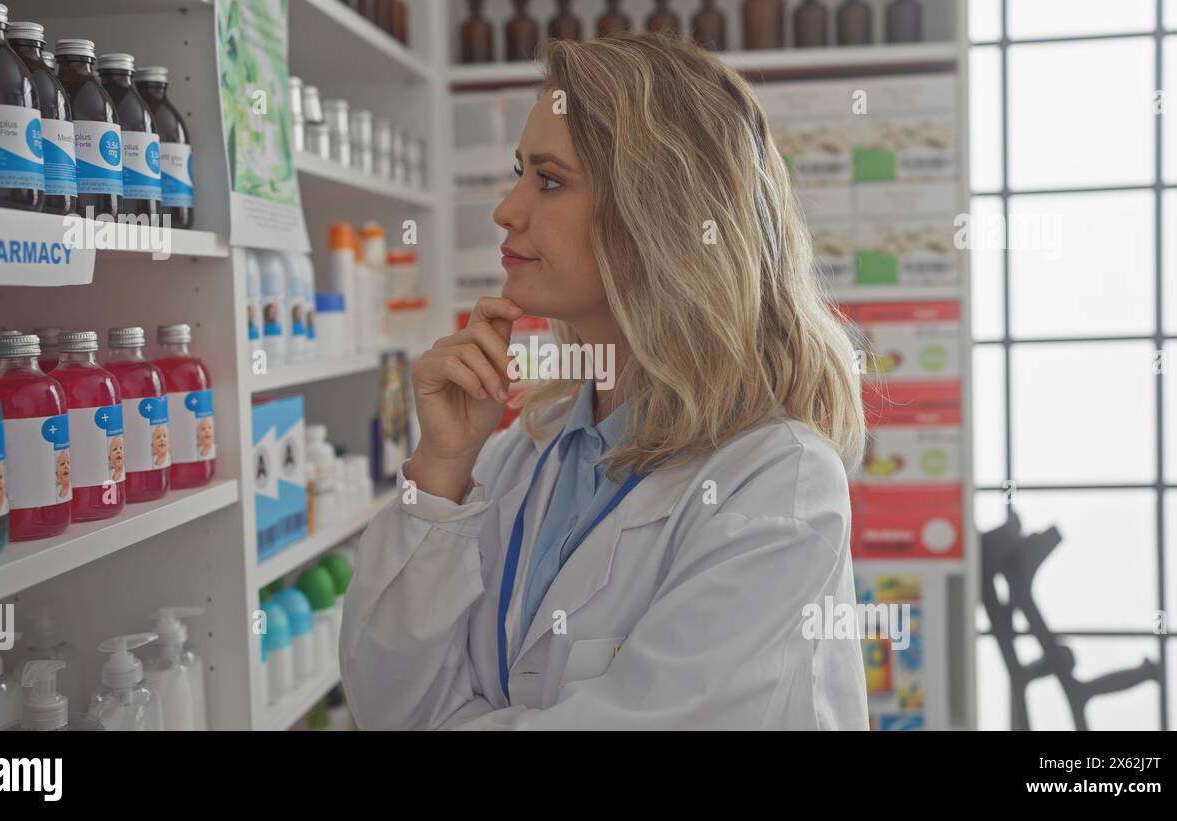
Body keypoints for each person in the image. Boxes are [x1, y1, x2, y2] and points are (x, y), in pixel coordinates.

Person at [340, 32, 869, 730]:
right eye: (517, 172)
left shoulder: (777, 484)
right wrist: (438, 470)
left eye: (549, 179)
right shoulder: (524, 454)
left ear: (660, 214)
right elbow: (389, 702)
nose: (507, 209)